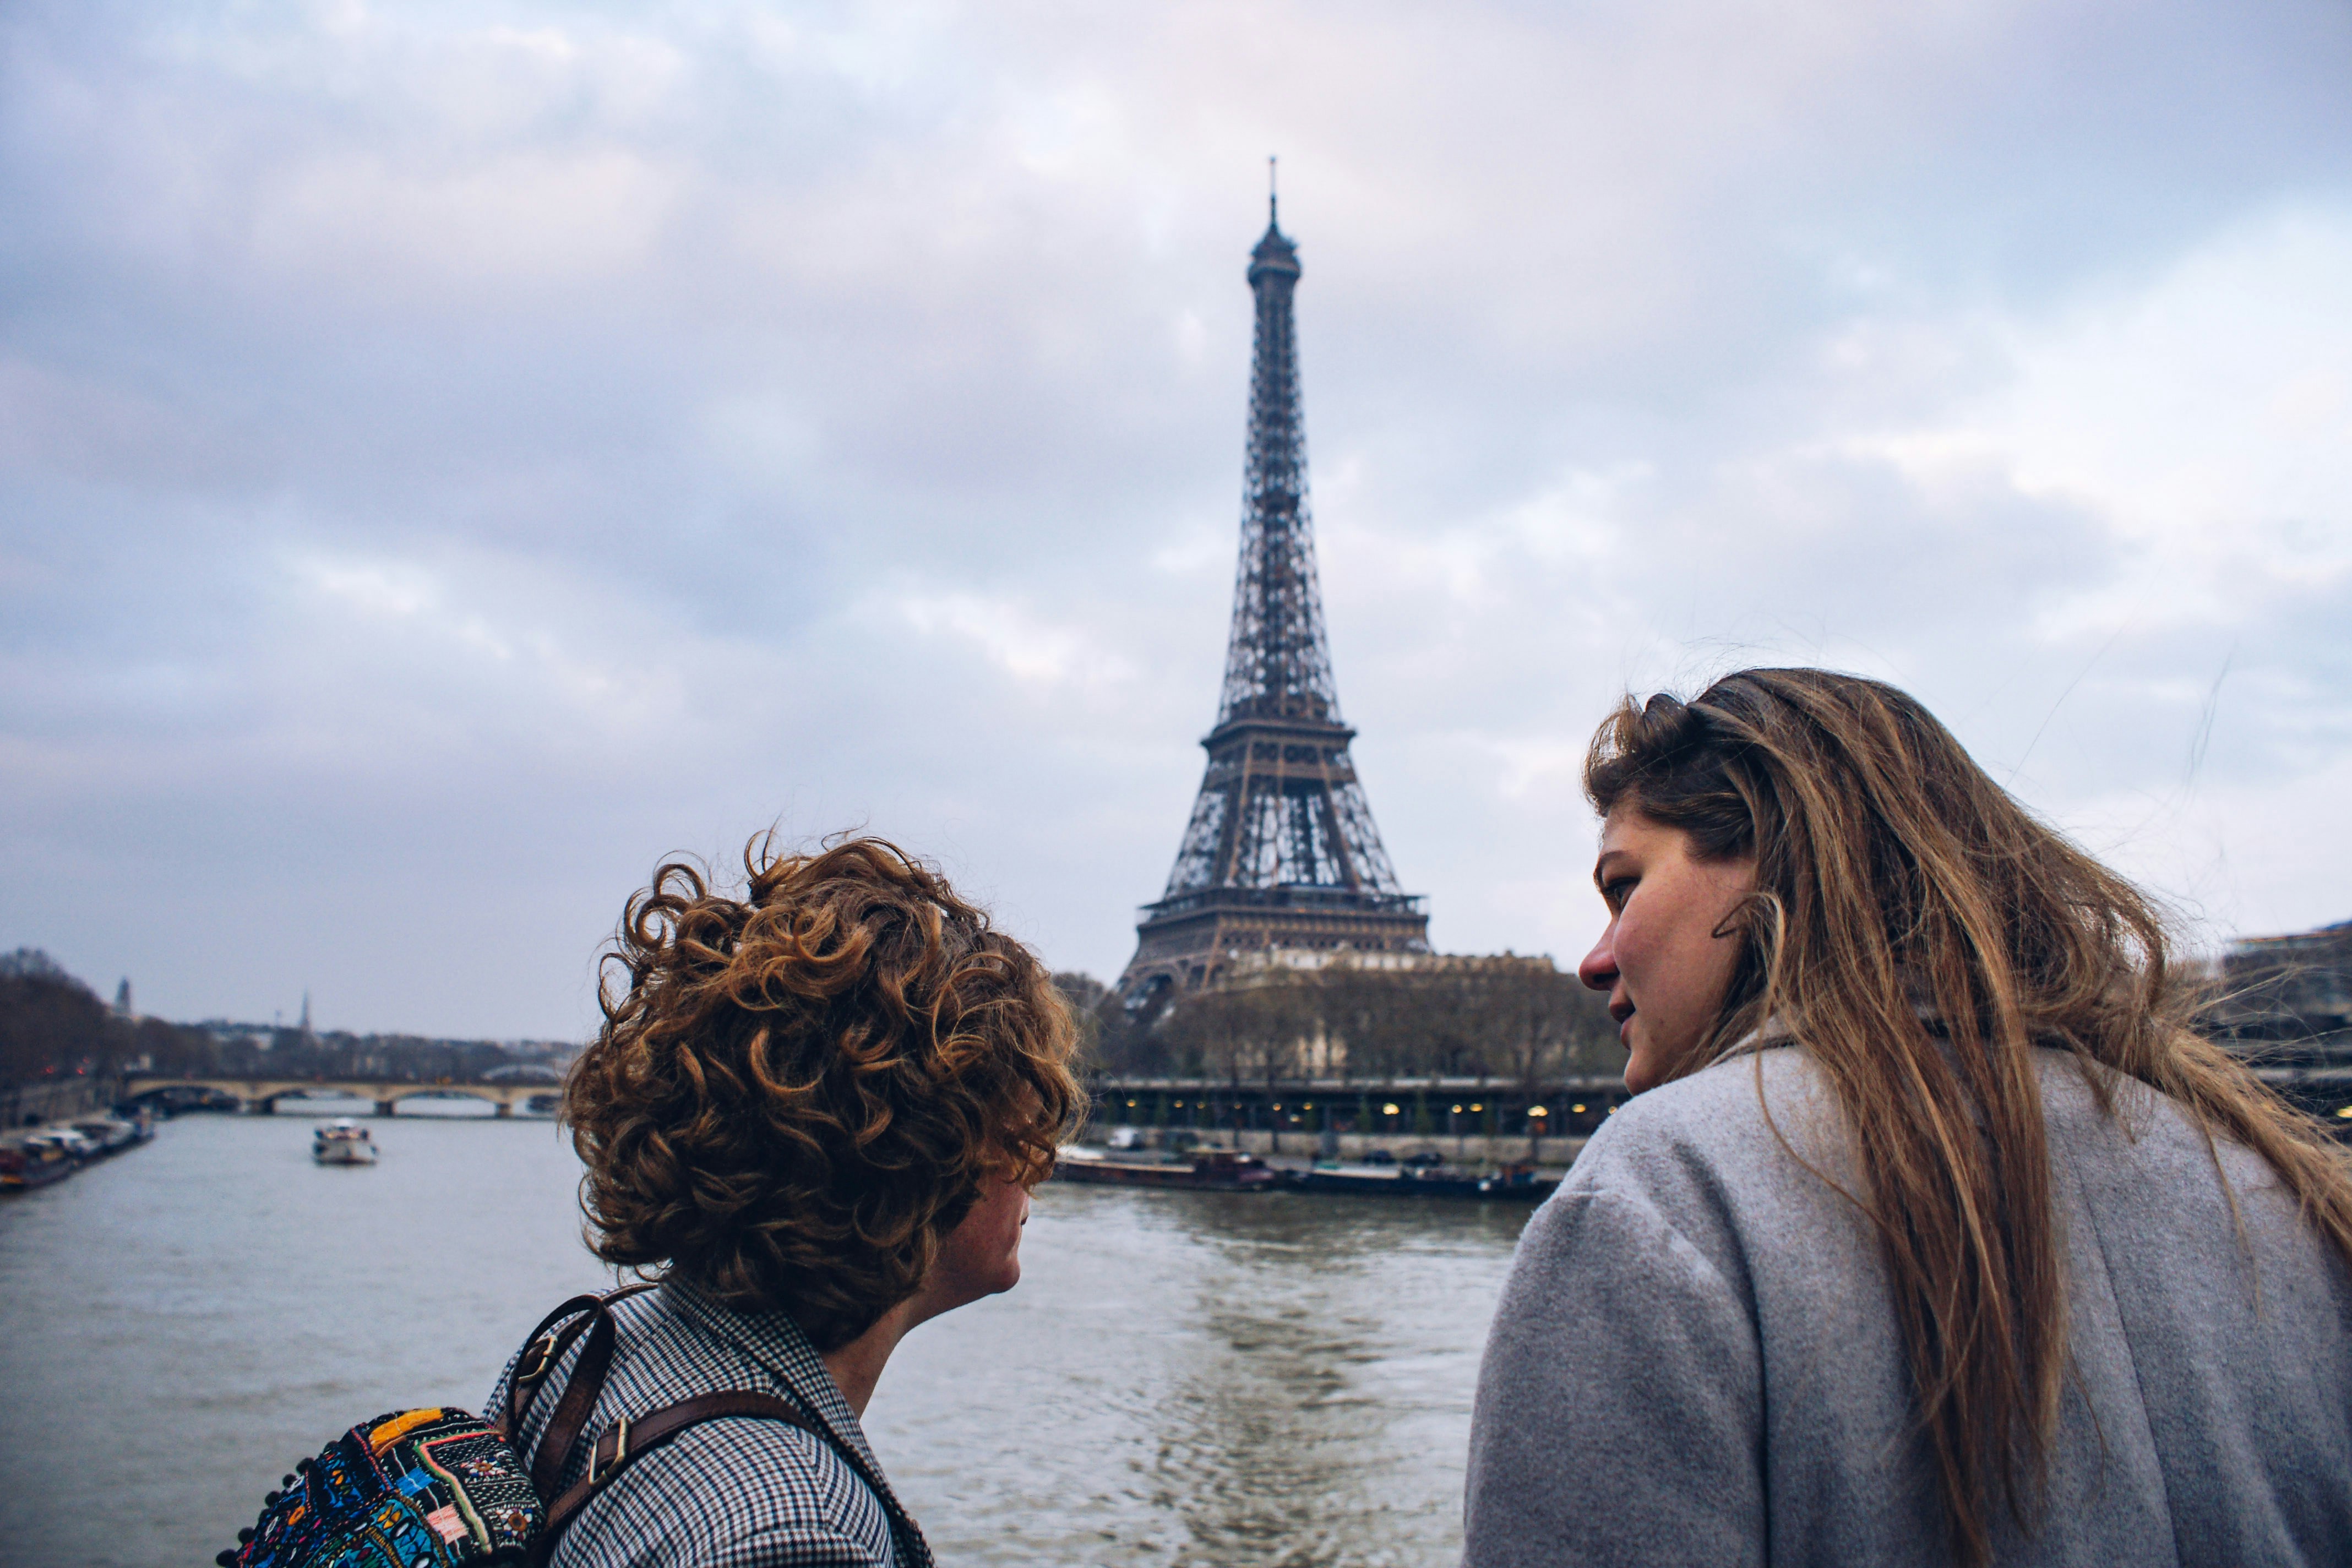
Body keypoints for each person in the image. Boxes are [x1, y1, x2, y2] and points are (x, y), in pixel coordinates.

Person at [1462, 669, 2352, 1568]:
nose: (1595, 958)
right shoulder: (2270, 1188)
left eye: (1623, 888)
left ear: (1775, 858)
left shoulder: (1663, 1194)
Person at [497, 835, 1081, 1567]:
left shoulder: (587, 1347)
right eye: (1022, 1131)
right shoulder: (795, 1536)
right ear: (919, 1161)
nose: (1039, 1168)